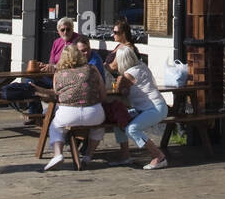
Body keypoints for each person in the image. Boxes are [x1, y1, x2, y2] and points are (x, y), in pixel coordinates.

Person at [43, 42, 106, 171]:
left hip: (68, 114)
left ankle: (58, 154)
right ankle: (88, 155)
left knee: (55, 126)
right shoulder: (92, 69)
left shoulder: (59, 73)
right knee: (99, 127)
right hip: (93, 112)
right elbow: (103, 94)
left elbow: (57, 95)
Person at [111, 44, 169, 170]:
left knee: (131, 129)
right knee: (119, 120)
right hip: (153, 107)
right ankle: (125, 155)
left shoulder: (128, 75)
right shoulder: (142, 66)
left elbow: (120, 91)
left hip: (154, 109)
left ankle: (159, 156)